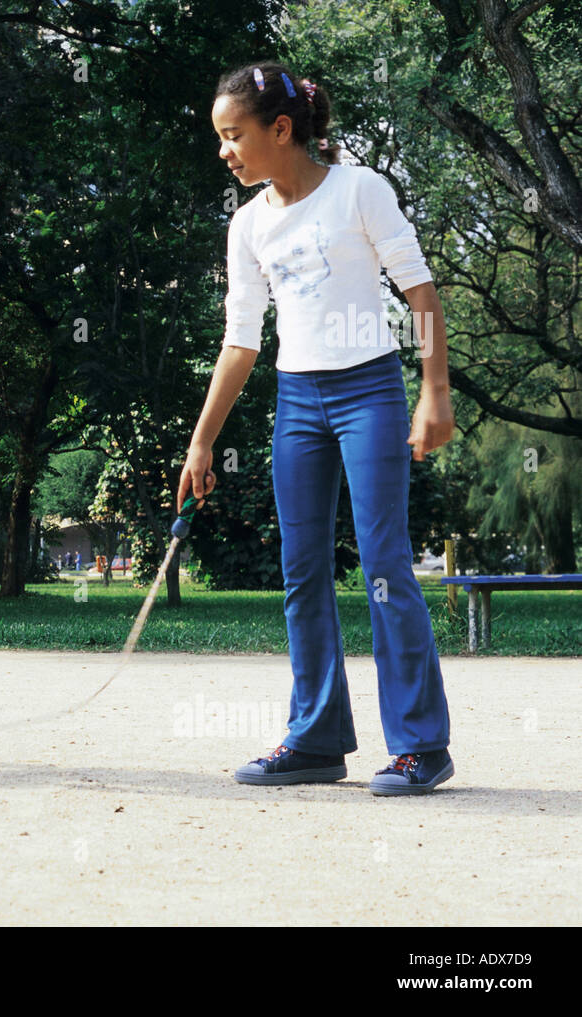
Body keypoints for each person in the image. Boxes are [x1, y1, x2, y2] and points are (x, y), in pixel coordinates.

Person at [179, 63, 456, 795]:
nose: (224, 151)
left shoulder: (360, 189)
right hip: (298, 400)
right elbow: (241, 339)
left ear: (281, 129)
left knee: (387, 567)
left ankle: (421, 745)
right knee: (302, 572)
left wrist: (435, 393)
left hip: (369, 389)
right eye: (219, 138)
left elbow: (420, 288)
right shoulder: (248, 224)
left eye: (234, 135)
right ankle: (316, 737)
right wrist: (203, 438)